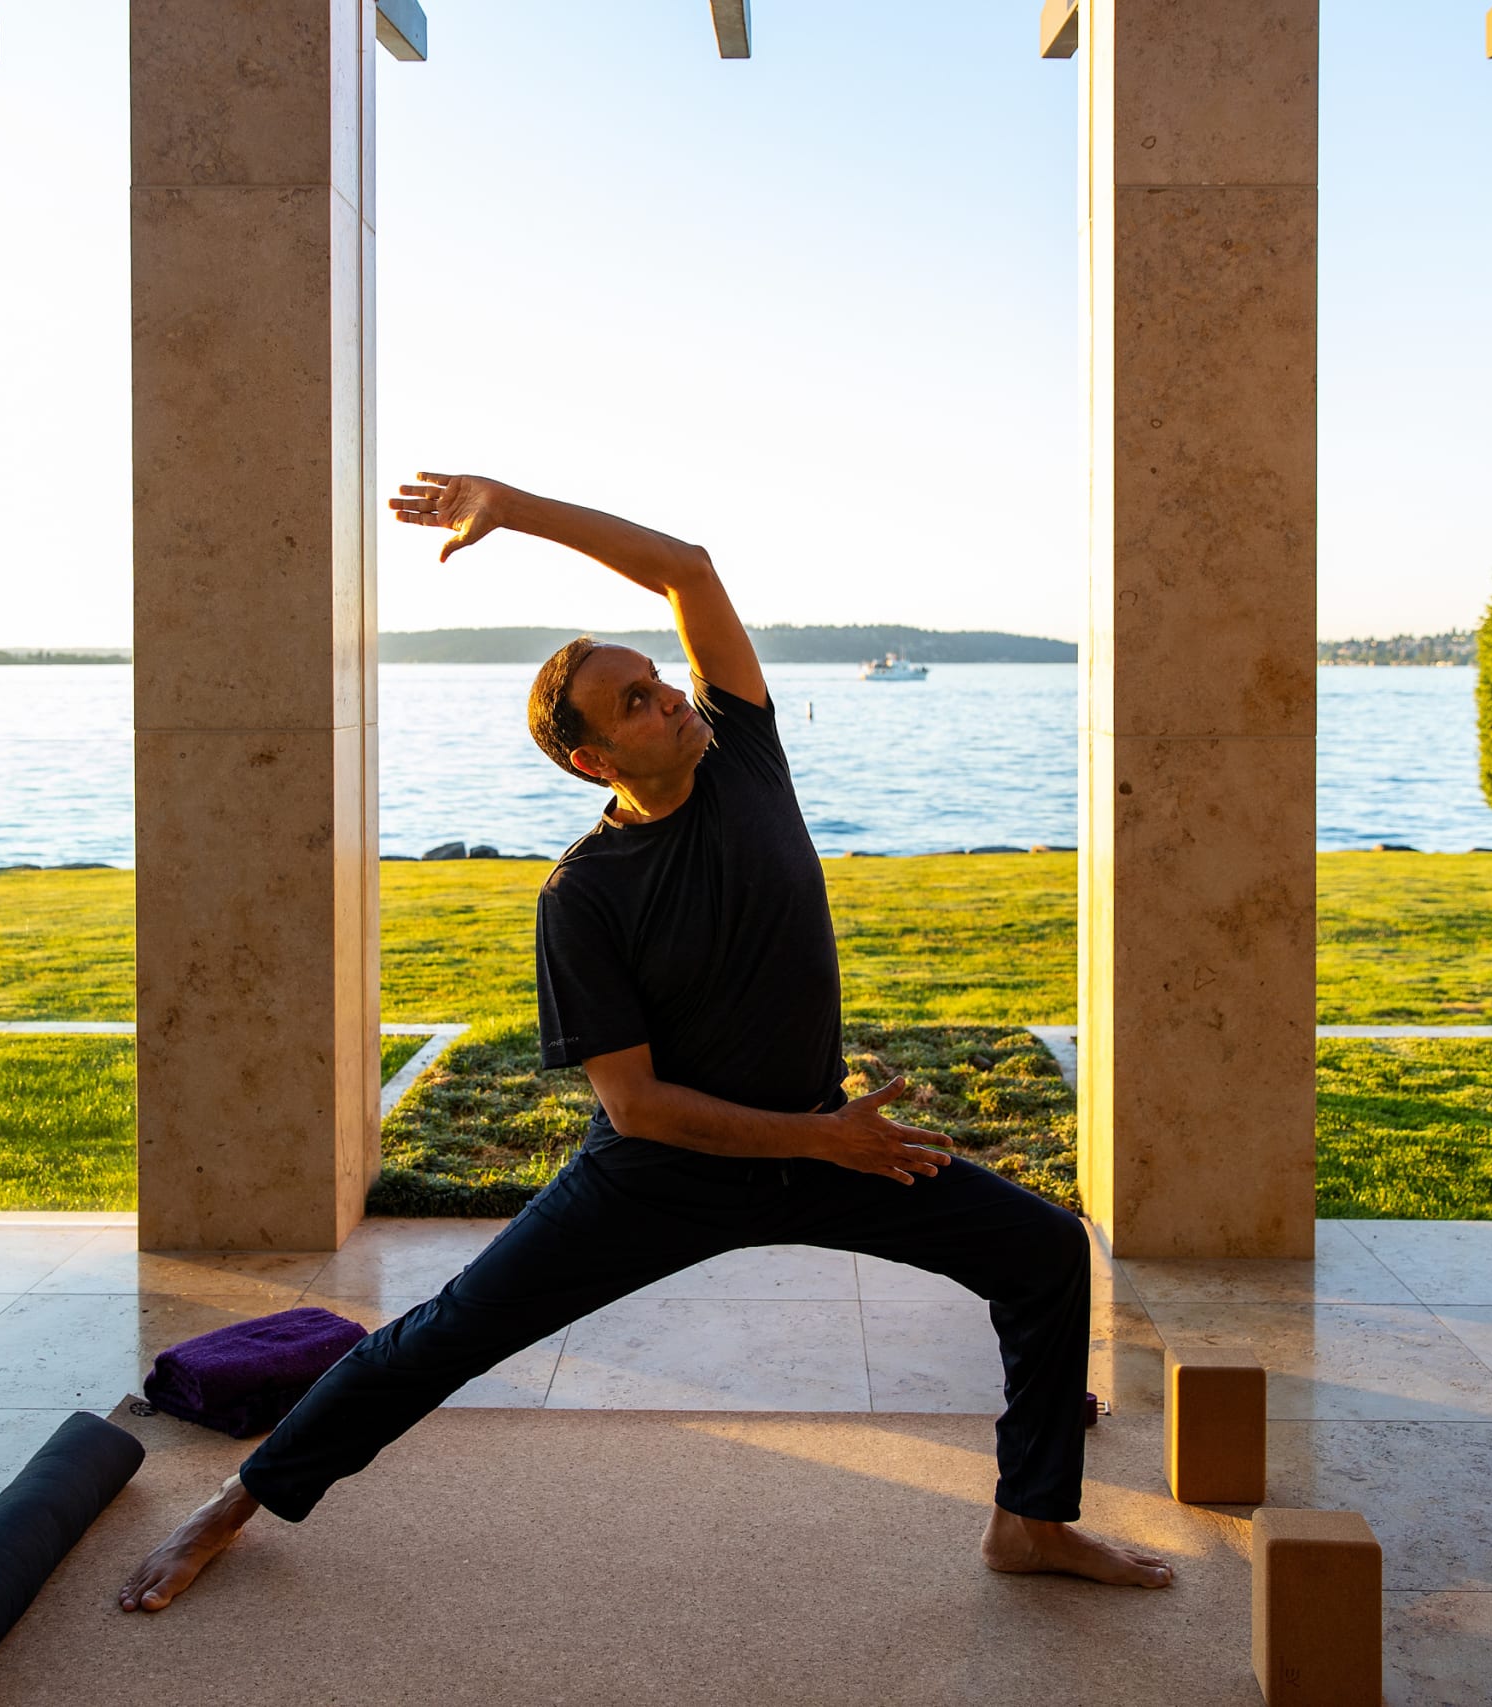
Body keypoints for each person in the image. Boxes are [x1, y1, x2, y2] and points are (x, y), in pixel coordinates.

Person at [119, 475, 1173, 1613]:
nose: (668, 697)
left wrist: (511, 506)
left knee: (1044, 1253)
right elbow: (638, 1106)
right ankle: (233, 1504)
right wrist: (825, 1141)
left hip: (823, 1145)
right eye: (633, 702)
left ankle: (1029, 1523)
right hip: (666, 1173)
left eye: (657, 678)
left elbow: (689, 570)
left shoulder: (742, 753)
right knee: (445, 1335)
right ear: (592, 760)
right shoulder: (581, 895)